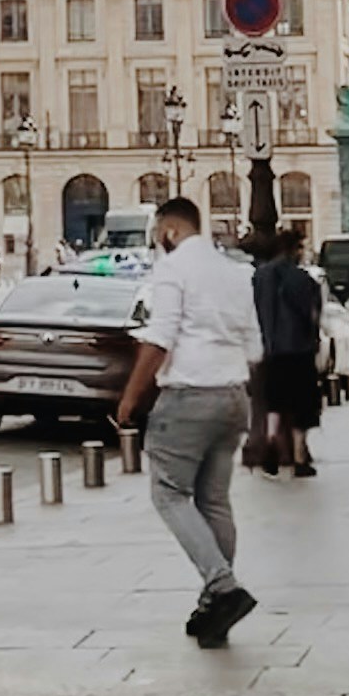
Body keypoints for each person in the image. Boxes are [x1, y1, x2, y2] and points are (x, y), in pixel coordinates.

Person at [115, 192, 260, 646]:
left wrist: (130, 399)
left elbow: (159, 338)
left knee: (170, 494)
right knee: (215, 501)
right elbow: (255, 346)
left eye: (160, 234)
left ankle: (222, 585)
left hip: (189, 394)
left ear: (170, 230)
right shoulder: (236, 273)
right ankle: (214, 605)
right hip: (234, 395)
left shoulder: (172, 269)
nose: (159, 241)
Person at [252, 221, 325, 480]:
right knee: (302, 405)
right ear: (294, 249)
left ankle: (270, 440)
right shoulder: (302, 278)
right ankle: (299, 457)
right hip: (298, 348)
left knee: (275, 401)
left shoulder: (260, 276)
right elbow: (311, 314)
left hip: (271, 349)